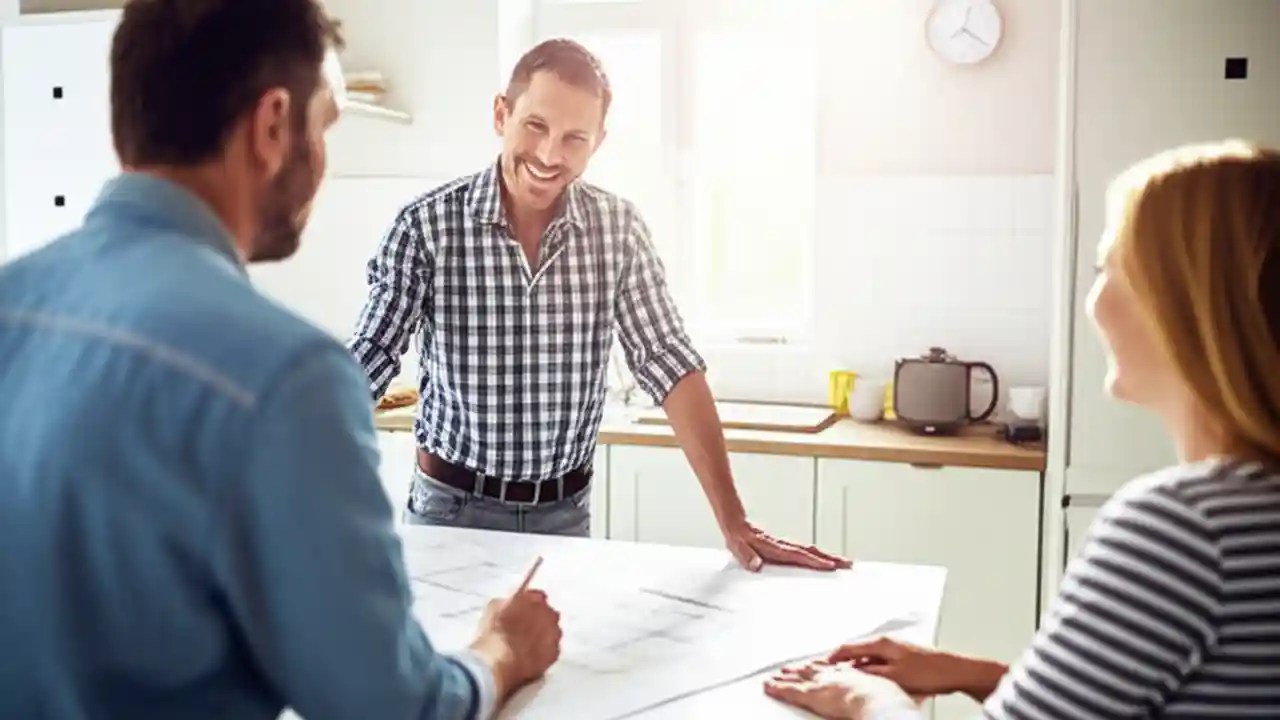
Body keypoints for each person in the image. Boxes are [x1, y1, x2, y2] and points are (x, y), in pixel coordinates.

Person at [0, 2, 559, 719]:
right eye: (325, 124)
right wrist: (502, 650)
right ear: (271, 127)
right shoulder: (287, 377)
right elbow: (390, 708)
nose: (324, 158)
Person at [762, 140, 1280, 719]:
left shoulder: (1184, 529)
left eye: (1109, 267)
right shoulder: (1249, 518)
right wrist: (978, 674)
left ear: (1188, 303)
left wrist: (866, 699)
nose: (1095, 302)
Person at [348, 38, 849, 572]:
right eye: (535, 126)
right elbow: (368, 358)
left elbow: (670, 363)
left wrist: (734, 522)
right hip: (450, 513)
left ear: (598, 142)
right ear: (502, 114)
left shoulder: (619, 230)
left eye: (574, 139)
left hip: (564, 517)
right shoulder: (426, 227)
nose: (549, 156)